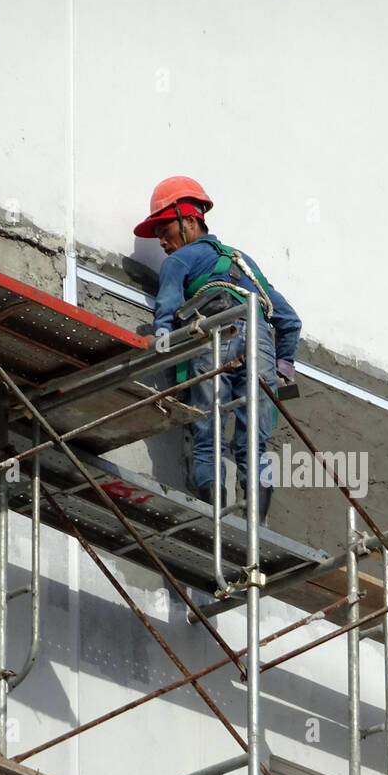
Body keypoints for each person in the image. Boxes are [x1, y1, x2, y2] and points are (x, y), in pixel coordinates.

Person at [134, 176, 301, 520]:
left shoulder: (179, 261)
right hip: (261, 347)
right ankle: (256, 524)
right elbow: (289, 320)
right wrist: (284, 368)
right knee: (254, 443)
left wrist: (163, 343)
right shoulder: (245, 263)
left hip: (216, 338)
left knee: (207, 433)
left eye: (165, 231)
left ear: (189, 222)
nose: (162, 242)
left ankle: (215, 521)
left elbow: (165, 312)